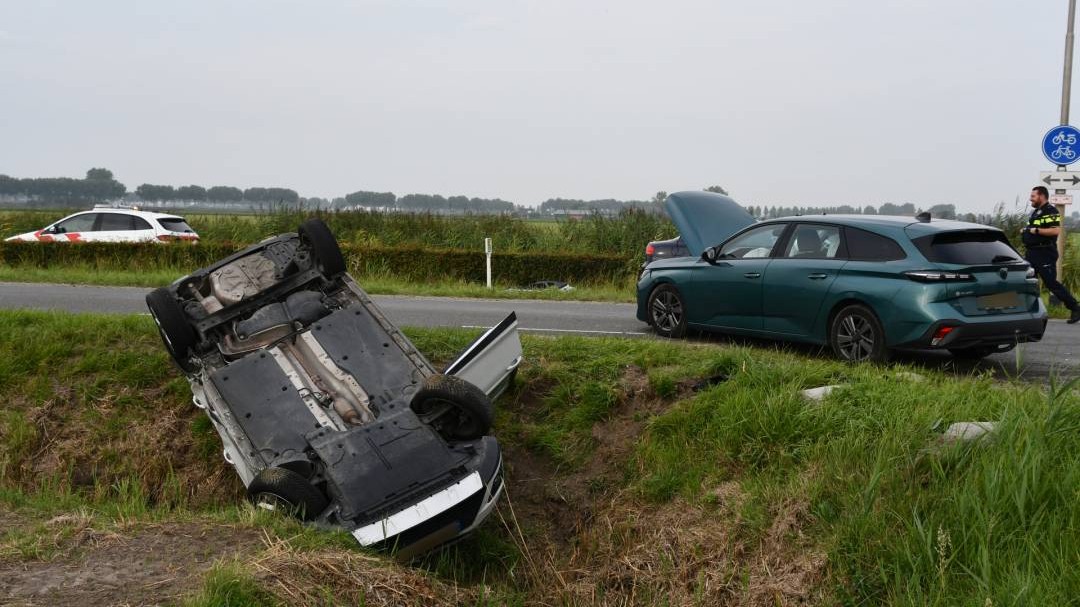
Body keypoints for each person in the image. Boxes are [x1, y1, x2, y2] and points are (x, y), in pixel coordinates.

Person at [1022, 186, 1080, 323]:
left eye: (1033, 196)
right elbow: (1031, 228)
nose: (1031, 198)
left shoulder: (1051, 211)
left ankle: (1075, 307)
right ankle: (1030, 312)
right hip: (1032, 253)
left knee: (1051, 284)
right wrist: (1024, 230)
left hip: (1044, 253)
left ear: (1041, 196)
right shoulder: (1036, 212)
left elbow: (1055, 231)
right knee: (1028, 282)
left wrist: (1035, 231)